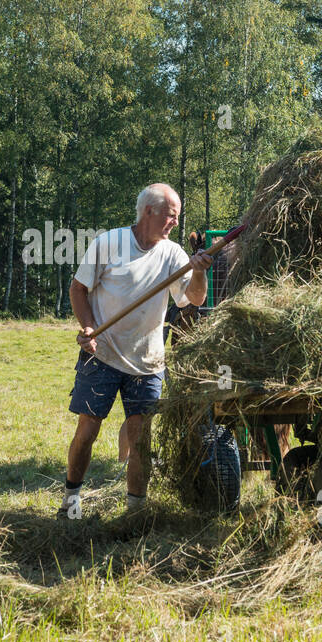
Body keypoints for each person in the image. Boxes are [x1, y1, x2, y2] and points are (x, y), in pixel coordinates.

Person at [59, 184, 212, 519]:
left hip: (147, 361)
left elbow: (195, 300)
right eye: (172, 215)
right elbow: (78, 288)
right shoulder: (109, 243)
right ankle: (70, 502)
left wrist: (198, 271)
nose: (175, 222)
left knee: (140, 438)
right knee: (88, 430)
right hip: (102, 354)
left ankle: (135, 513)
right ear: (149, 211)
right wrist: (87, 327)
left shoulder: (173, 255)